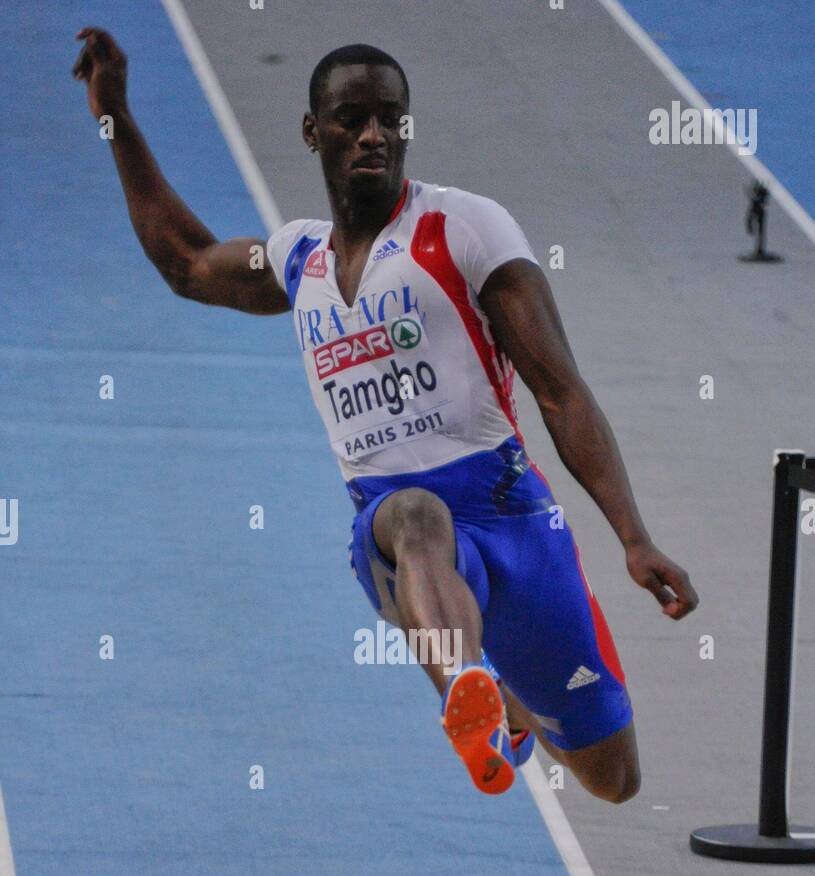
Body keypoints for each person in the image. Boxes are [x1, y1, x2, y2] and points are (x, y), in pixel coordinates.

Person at [73, 31, 698, 800]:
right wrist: (117, 118)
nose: (373, 134)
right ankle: (469, 693)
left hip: (513, 522)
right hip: (397, 539)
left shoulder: (464, 230)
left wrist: (633, 539)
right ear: (312, 132)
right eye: (350, 118)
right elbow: (187, 263)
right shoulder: (297, 258)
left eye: (389, 118)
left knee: (614, 779)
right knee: (411, 512)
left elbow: (560, 390)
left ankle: (507, 709)